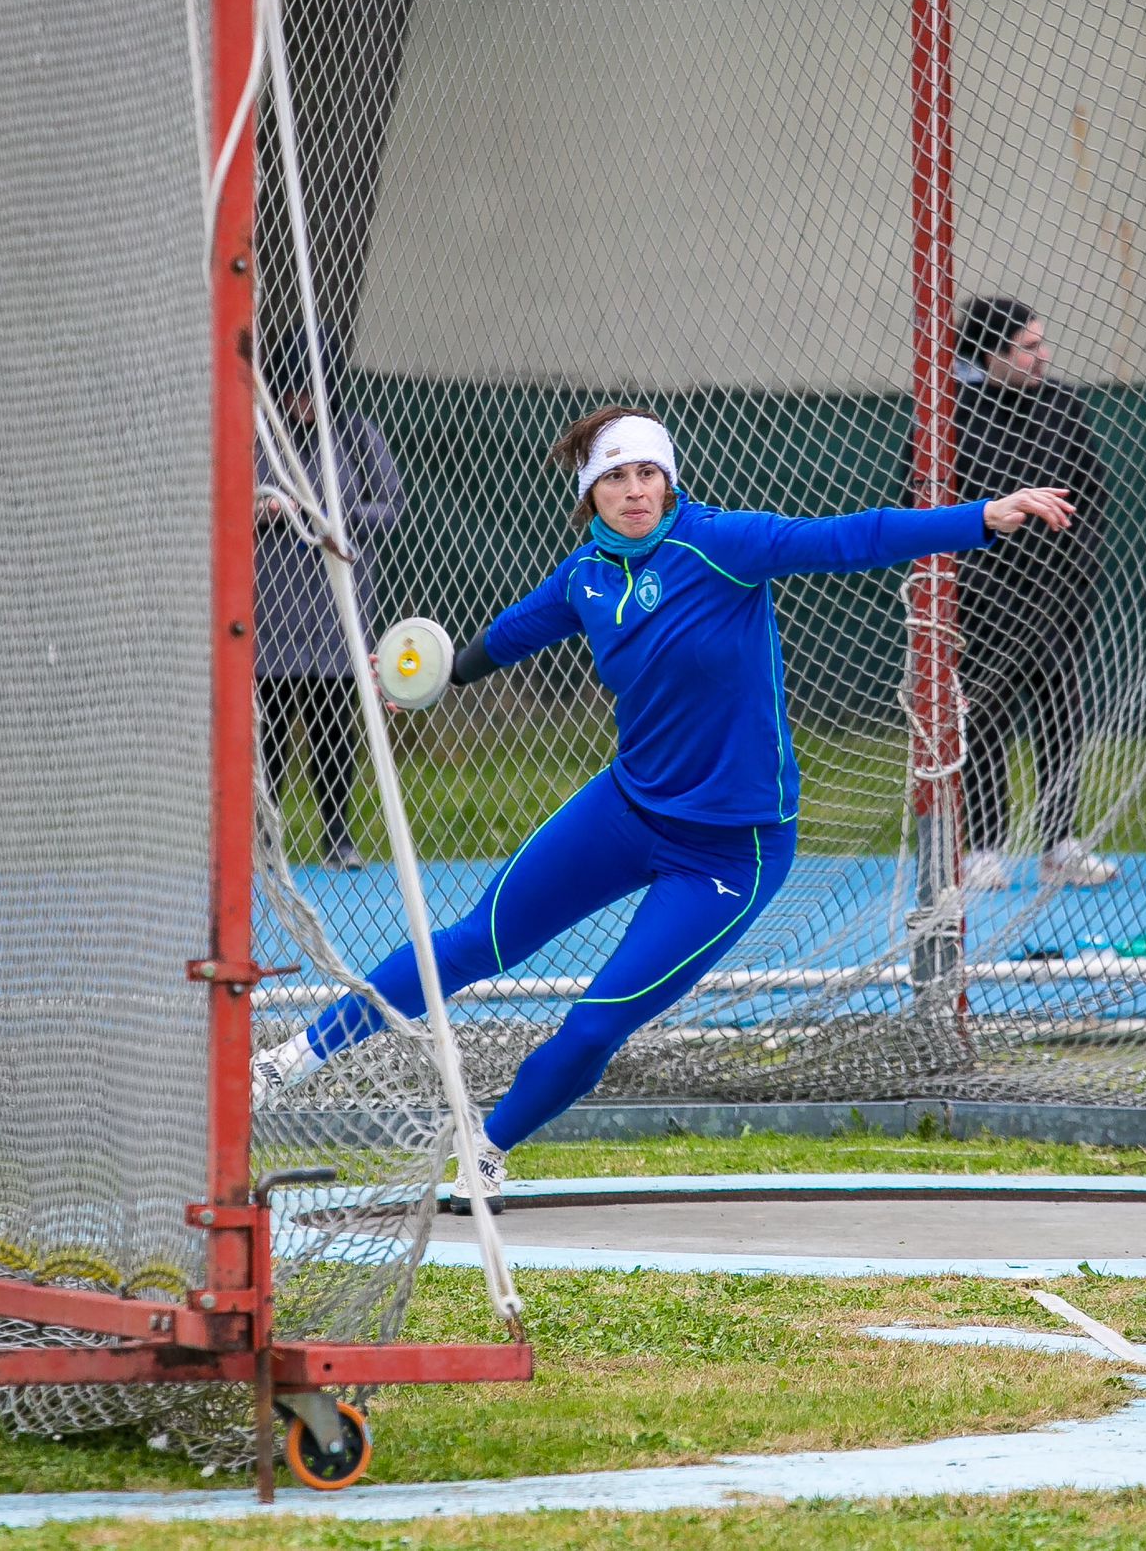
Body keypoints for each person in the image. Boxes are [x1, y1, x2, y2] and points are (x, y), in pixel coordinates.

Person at [253, 406, 1075, 1211]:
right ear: (591, 492)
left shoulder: (722, 544)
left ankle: (487, 1151)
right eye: (615, 475)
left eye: (649, 471)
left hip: (729, 853)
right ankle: (288, 1060)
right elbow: (505, 637)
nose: (635, 489)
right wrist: (420, 679)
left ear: (670, 480)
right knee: (471, 944)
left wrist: (982, 518)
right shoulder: (584, 577)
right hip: (627, 809)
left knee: (591, 1026)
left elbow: (852, 536)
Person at [948, 297, 1117, 890]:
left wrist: (1077, 581)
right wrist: (973, 589)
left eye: (1043, 343)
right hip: (984, 605)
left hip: (1057, 599)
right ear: (992, 355)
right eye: (1029, 346)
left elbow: (1091, 497)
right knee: (986, 721)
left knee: (1062, 719)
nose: (1043, 355)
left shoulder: (1063, 407)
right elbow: (930, 509)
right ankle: (985, 850)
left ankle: (1060, 845)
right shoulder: (952, 416)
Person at [255, 330, 406, 871]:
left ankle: (337, 837)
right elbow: (232, 503)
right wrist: (270, 512)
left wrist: (329, 517)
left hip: (335, 611)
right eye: (291, 394)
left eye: (310, 394)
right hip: (271, 609)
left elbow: (391, 507)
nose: (301, 406)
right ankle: (264, 839)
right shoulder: (259, 439)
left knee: (333, 727)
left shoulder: (358, 435)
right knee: (268, 728)